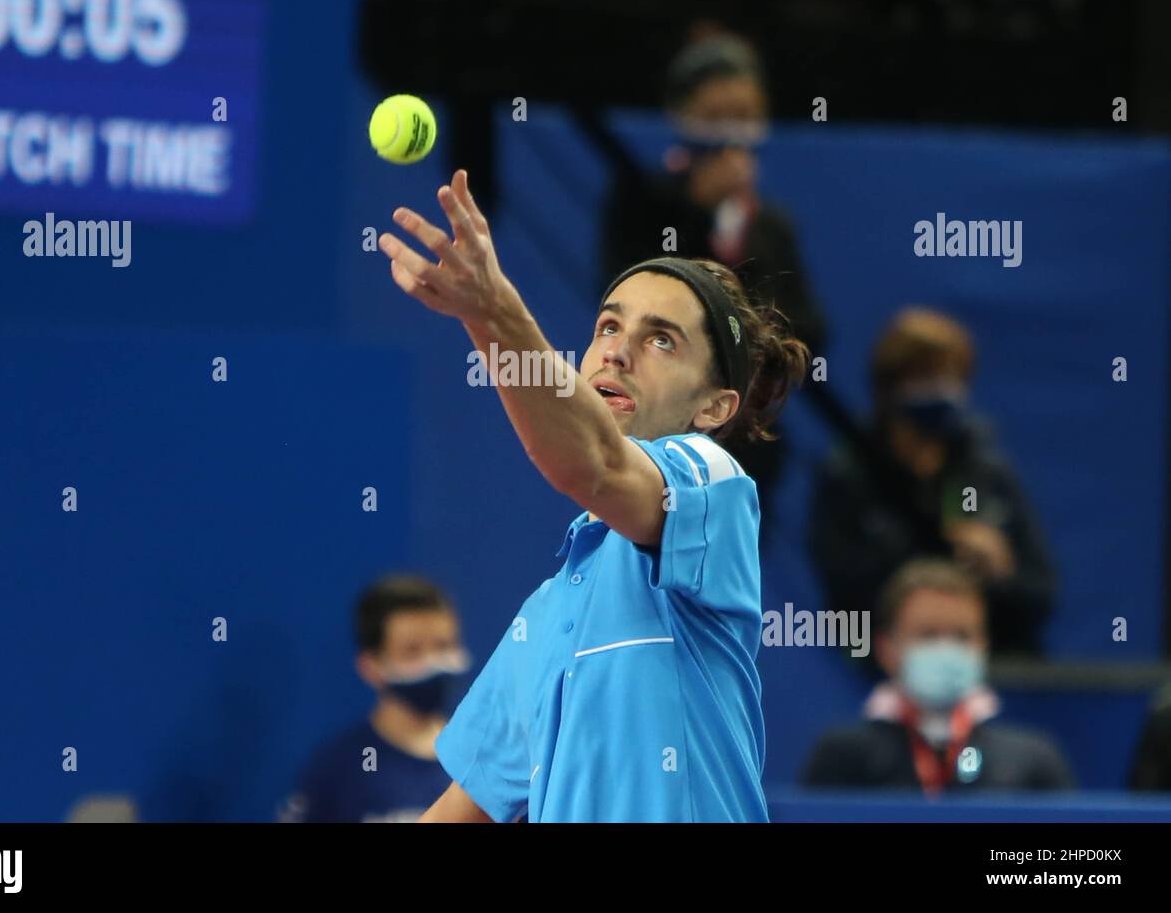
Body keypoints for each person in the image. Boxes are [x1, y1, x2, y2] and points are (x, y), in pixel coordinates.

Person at [376, 169, 808, 822]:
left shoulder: (713, 483)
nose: (619, 353)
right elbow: (460, 814)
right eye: (608, 327)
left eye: (662, 340)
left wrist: (490, 308)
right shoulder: (544, 616)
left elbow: (596, 467)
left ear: (715, 406)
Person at [600, 31, 827, 501]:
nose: (732, 130)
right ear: (684, 115)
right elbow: (625, 292)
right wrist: (698, 212)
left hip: (745, 446)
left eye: (744, 116)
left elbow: (808, 326)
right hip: (656, 428)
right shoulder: (644, 199)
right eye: (717, 116)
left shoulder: (771, 225)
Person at [809, 307, 1057, 657]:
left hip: (993, 667)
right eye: (927, 375)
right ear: (890, 386)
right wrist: (940, 552)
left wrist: (1001, 572)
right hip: (875, 669)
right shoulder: (848, 474)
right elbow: (845, 596)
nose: (944, 389)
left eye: (954, 376)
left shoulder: (987, 472)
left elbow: (1039, 593)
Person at [802, 558, 1074, 794]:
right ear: (886, 649)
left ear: (984, 647)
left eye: (961, 636)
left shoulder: (1034, 762)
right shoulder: (842, 758)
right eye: (928, 635)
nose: (946, 650)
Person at [280, 574, 466, 822]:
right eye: (412, 651)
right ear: (371, 666)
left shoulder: (482, 762)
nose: (434, 663)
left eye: (443, 647)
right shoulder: (336, 769)